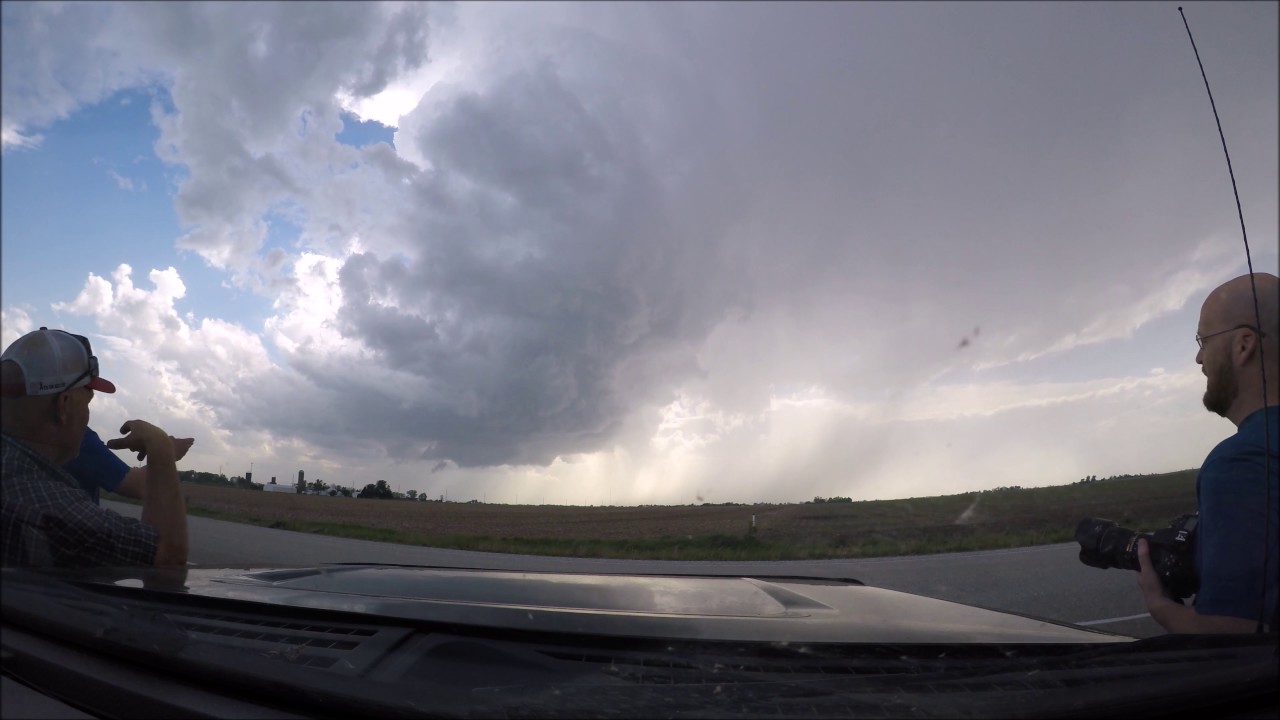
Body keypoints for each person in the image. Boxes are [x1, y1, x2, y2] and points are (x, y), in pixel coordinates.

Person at [1137, 272, 1280, 633]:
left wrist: (1161, 606)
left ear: (1244, 345)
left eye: (1203, 340)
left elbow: (1232, 641)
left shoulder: (1241, 463)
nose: (1199, 358)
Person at [0, 327, 188, 567]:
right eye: (87, 401)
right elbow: (168, 554)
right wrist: (161, 448)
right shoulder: (42, 504)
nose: (88, 414)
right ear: (64, 405)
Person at [65, 427, 195, 503]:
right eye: (87, 398)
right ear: (64, 401)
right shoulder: (76, 437)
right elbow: (140, 486)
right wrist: (166, 451)